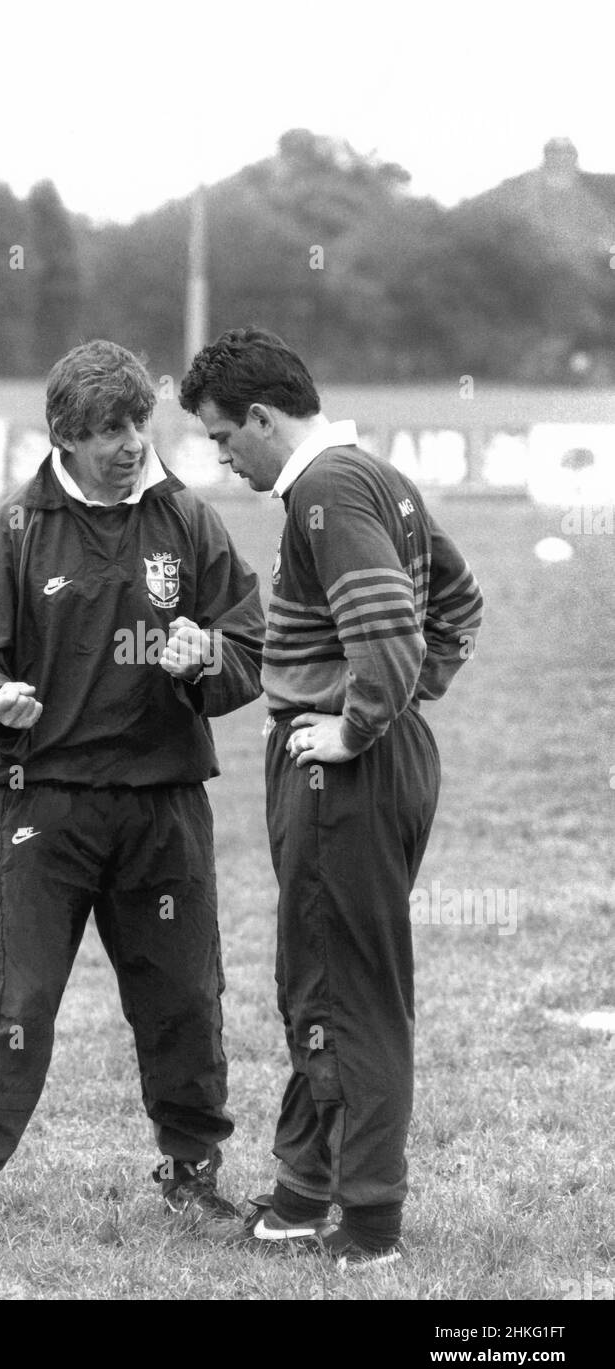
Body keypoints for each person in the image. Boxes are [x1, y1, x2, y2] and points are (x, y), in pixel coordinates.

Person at [0, 339, 265, 1231]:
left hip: (163, 807)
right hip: (49, 808)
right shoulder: (18, 531)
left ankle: (191, 1168)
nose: (127, 444)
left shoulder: (184, 519)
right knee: (21, 1001)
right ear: (64, 438)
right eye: (107, 429)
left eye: (136, 423)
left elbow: (250, 638)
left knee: (184, 995)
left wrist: (209, 657)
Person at [179, 326, 483, 1267]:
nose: (222, 460)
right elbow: (461, 605)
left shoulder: (325, 490)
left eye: (224, 438)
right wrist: (395, 707)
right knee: (319, 978)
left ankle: (368, 1223)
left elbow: (391, 627)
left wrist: (358, 724)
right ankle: (302, 1196)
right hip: (371, 761)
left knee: (347, 992)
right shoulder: (376, 475)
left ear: (263, 417)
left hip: (342, 770)